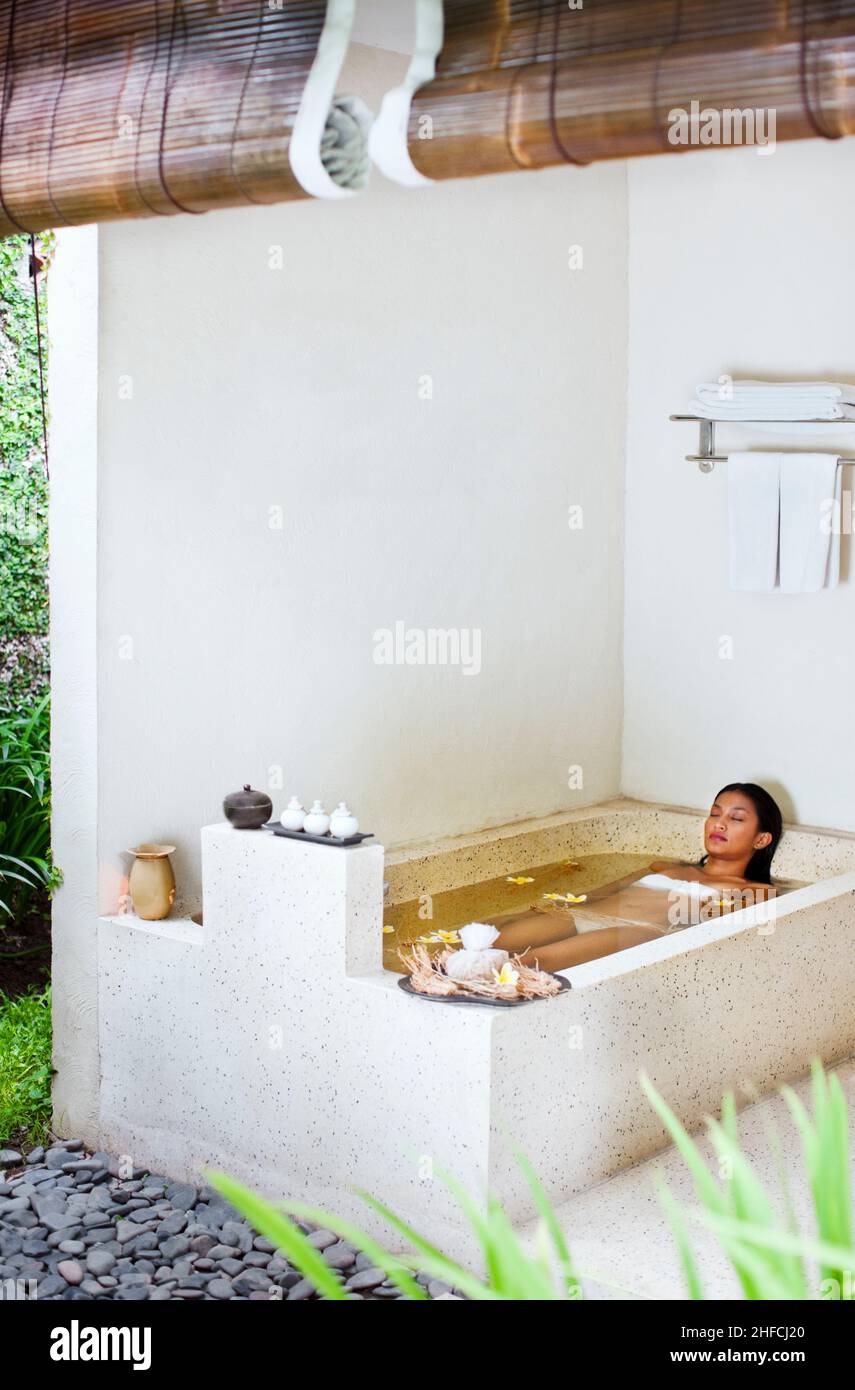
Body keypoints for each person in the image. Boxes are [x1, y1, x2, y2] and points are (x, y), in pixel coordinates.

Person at [487, 782, 784, 972]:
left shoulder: (757, 892)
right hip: (585, 915)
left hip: (637, 933)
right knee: (483, 940)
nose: (719, 824)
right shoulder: (662, 867)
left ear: (761, 840)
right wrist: (526, 913)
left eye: (736, 818)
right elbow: (599, 892)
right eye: (715, 813)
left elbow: (711, 933)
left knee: (523, 966)